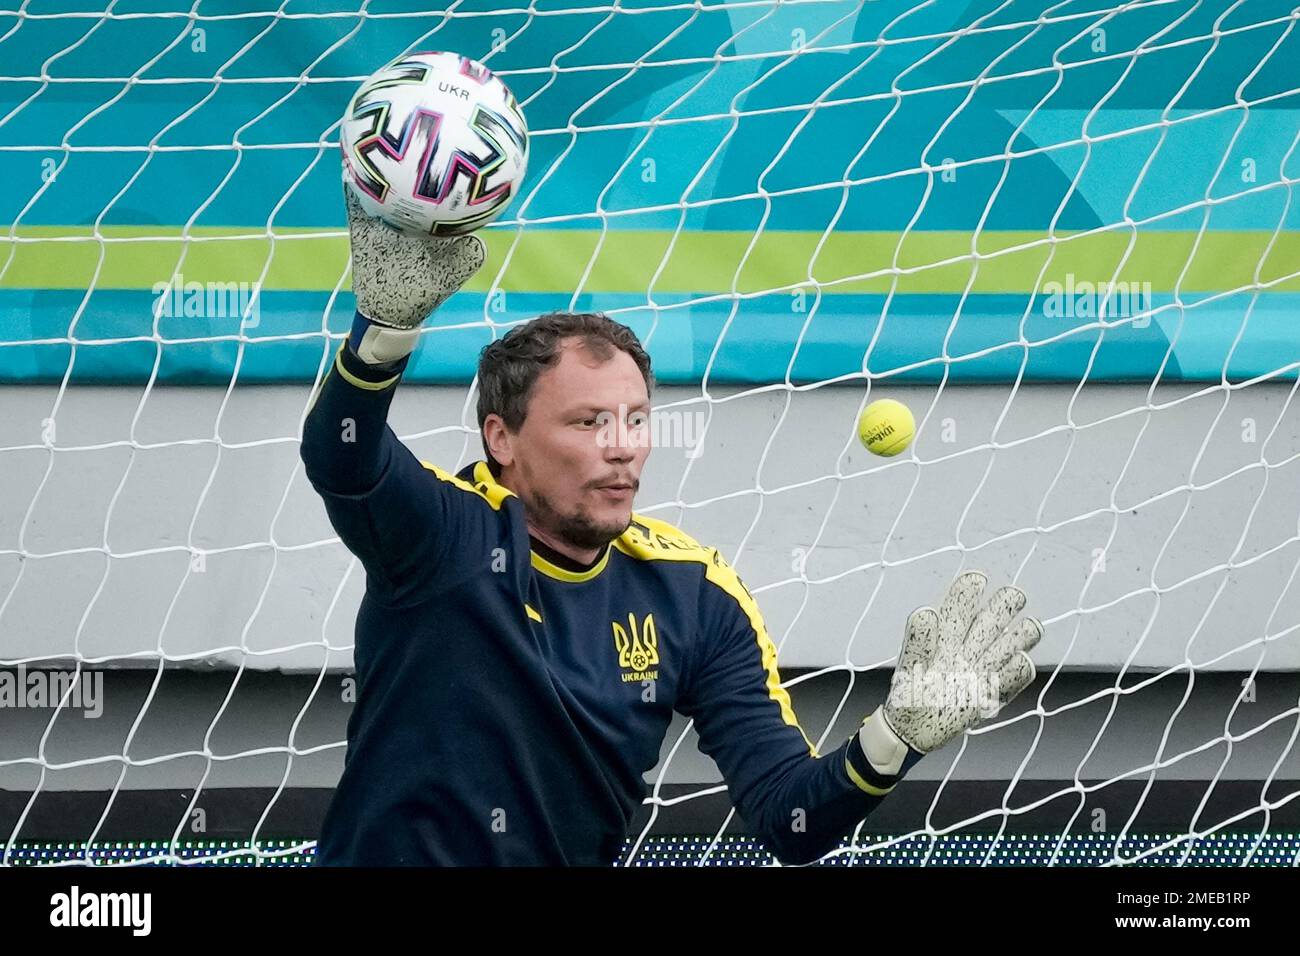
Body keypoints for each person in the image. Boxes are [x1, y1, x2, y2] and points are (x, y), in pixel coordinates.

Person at [300, 191, 1044, 866]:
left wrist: (898, 734)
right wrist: (385, 332)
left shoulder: (692, 595)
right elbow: (343, 459)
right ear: (502, 439)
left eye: (635, 420)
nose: (622, 445)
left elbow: (791, 820)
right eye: (589, 422)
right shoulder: (444, 532)